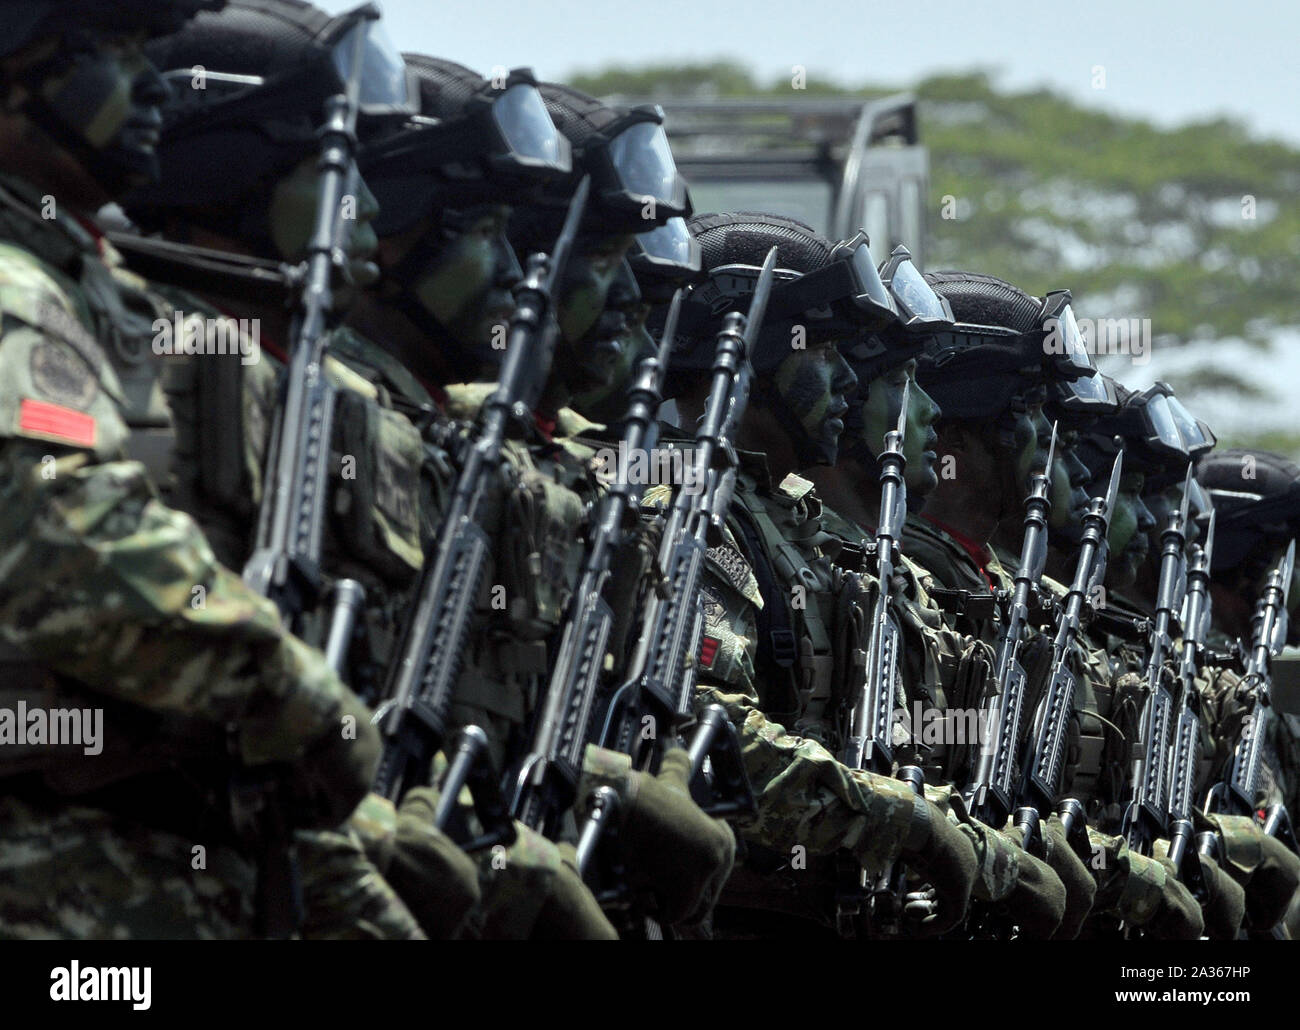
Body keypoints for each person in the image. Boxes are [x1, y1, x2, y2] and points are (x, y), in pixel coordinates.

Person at [0, 0, 384, 940]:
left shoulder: (76, 282)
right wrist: (306, 705)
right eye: (113, 53)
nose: (155, 87)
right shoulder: (16, 287)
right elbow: (76, 552)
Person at [662, 212, 984, 938]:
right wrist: (910, 825)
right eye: (825, 351)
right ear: (757, 354)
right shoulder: (690, 510)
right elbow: (713, 736)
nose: (845, 378)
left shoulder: (793, 526)